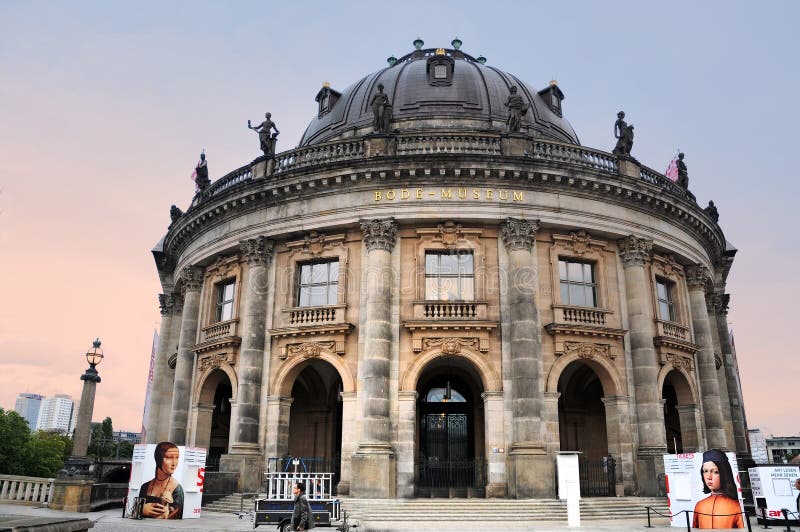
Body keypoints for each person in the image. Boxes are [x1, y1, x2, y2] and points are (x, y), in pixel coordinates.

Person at [692, 449, 743, 529]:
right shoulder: (699, 505)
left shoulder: (736, 506)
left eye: (715, 472)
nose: (708, 477)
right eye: (705, 471)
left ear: (724, 473)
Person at [139, 441, 184, 519]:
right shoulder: (145, 486)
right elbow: (134, 510)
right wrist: (141, 509)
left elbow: (175, 516)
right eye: (169, 457)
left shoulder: (177, 489)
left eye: (177, 458)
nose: (174, 463)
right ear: (159, 459)